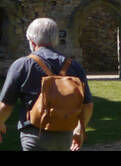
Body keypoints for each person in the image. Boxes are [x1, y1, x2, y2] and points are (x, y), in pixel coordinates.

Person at [0, 18, 94, 151]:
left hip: (35, 135)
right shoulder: (74, 66)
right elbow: (87, 105)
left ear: (32, 42)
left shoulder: (23, 65)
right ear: (55, 40)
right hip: (65, 135)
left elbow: (6, 105)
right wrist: (80, 129)